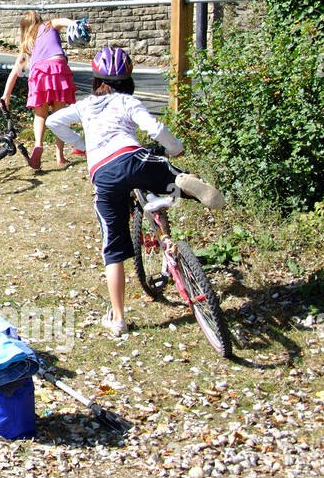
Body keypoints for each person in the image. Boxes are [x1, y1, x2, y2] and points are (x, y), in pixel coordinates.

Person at [46, 47, 224, 338]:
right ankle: (185, 184)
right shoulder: (128, 101)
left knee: (113, 249)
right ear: (128, 80)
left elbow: (54, 121)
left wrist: (81, 143)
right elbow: (155, 128)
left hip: (103, 174)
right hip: (132, 158)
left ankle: (118, 318)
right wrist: (176, 148)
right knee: (167, 174)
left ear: (95, 80)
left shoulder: (85, 105)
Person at [1, 11, 79, 170]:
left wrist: (6, 96)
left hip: (39, 74)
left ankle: (38, 145)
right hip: (58, 67)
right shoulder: (49, 25)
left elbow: (15, 71)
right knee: (59, 116)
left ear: (23, 28)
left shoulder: (27, 43)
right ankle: (60, 156)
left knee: (40, 115)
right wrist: (76, 25)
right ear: (39, 20)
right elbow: (63, 21)